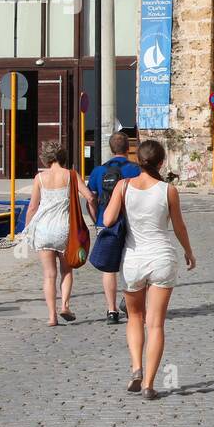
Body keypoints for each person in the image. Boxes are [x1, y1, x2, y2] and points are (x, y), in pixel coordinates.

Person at [101, 139, 196, 400]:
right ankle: (150, 385)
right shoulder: (169, 190)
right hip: (162, 259)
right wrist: (189, 252)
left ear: (138, 160)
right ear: (162, 162)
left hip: (133, 261)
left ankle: (136, 369)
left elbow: (108, 220)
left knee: (134, 318)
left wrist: (117, 198)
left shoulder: (124, 186)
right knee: (155, 324)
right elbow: (179, 227)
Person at [23, 141, 95, 327]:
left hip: (44, 230)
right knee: (66, 270)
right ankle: (65, 305)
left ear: (46, 158)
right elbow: (89, 196)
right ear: (63, 157)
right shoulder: (71, 175)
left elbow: (32, 207)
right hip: (65, 230)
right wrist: (94, 215)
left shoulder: (39, 178)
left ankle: (51, 317)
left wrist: (27, 230)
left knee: (49, 275)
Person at [88, 131, 142, 325]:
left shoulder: (98, 172)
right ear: (128, 148)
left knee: (109, 269)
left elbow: (92, 199)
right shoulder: (136, 170)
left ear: (111, 149)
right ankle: (129, 302)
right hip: (130, 223)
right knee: (131, 263)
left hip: (106, 223)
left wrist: (97, 219)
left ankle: (111, 310)